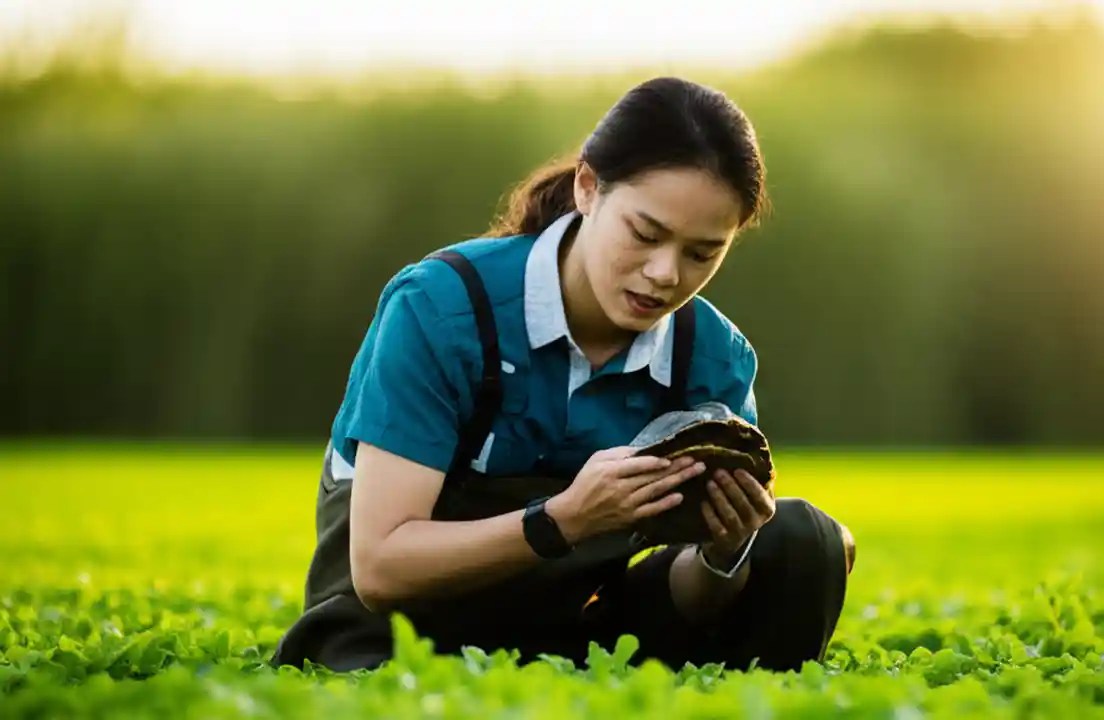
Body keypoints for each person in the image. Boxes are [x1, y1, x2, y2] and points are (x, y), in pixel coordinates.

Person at [273, 76, 856, 674]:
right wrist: (567, 519)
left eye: (702, 253)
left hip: (573, 632)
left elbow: (685, 599)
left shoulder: (712, 356)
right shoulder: (443, 308)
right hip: (400, 630)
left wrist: (723, 556)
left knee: (801, 541)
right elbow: (380, 570)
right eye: (645, 234)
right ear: (587, 188)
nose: (664, 274)